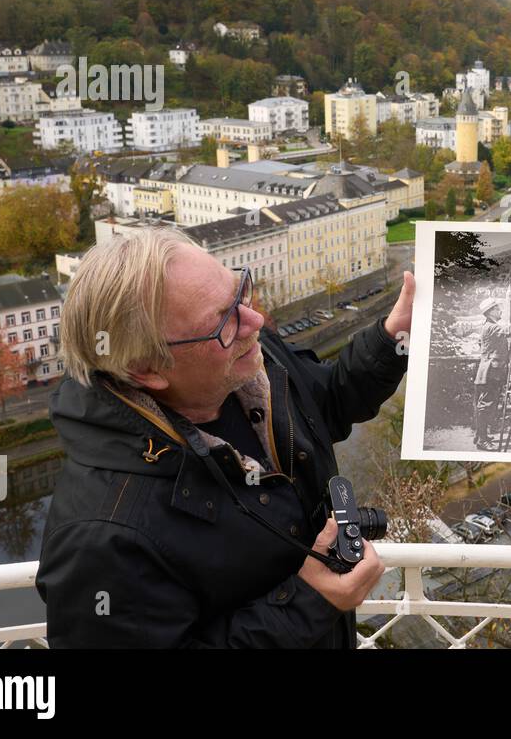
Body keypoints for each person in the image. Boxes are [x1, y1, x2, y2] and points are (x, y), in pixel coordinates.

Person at [35, 225, 415, 647]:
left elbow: (324, 406)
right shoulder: (101, 542)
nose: (254, 321)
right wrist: (309, 603)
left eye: (241, 291)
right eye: (222, 322)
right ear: (147, 369)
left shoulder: (246, 357)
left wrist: (394, 338)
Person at [471, 298, 511, 448]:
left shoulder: (489, 326)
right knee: (485, 406)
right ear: (490, 311)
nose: (501, 311)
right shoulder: (491, 327)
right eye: (498, 309)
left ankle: (480, 436)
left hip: (490, 372)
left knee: (485, 405)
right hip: (489, 373)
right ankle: (482, 441)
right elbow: (508, 331)